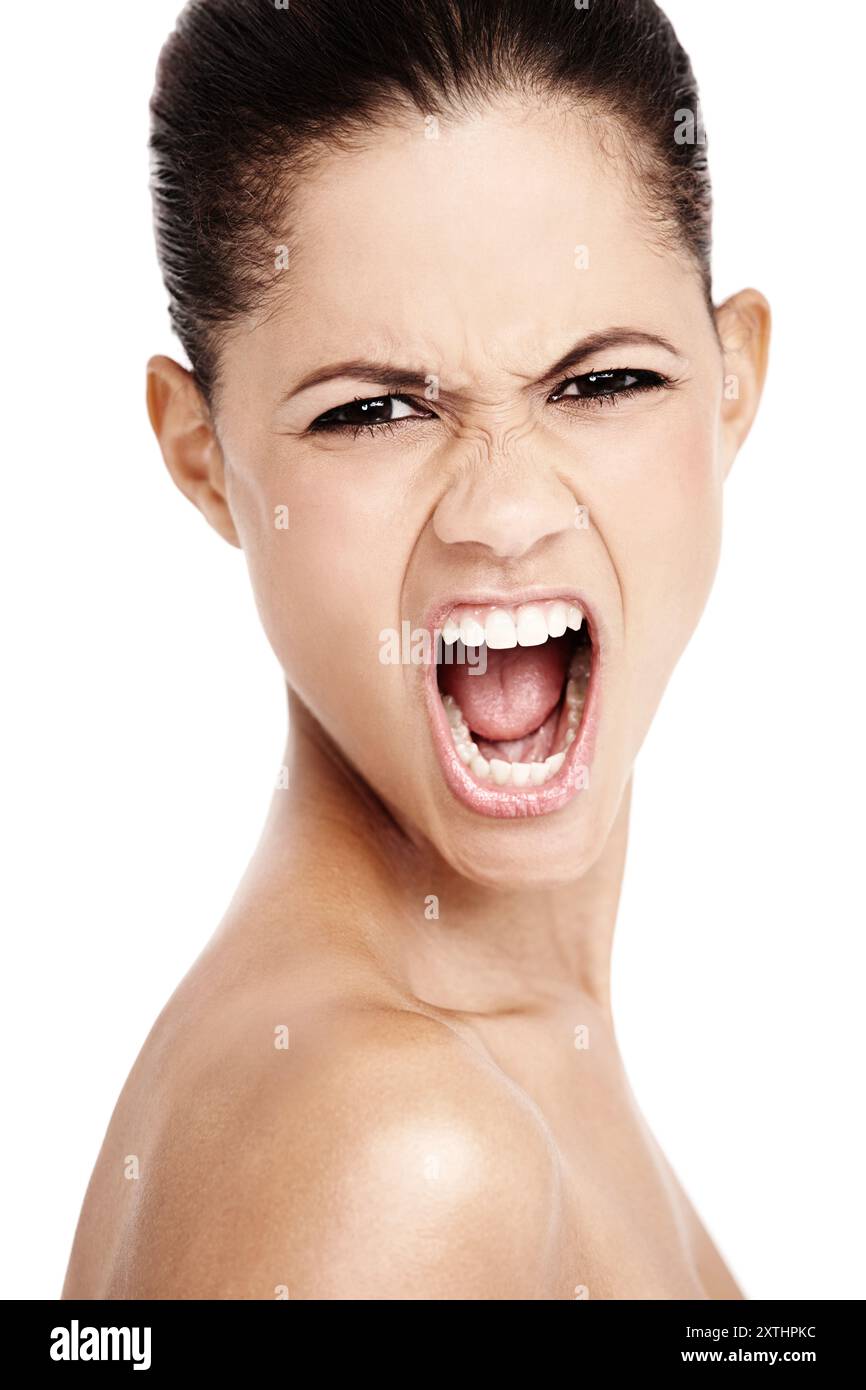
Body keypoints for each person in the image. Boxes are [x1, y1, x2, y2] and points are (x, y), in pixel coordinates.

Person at [62, 0, 770, 1299]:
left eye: (599, 382)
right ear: (201, 458)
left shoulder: (474, 1062)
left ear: (734, 381)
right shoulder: (399, 1148)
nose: (503, 514)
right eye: (373, 410)